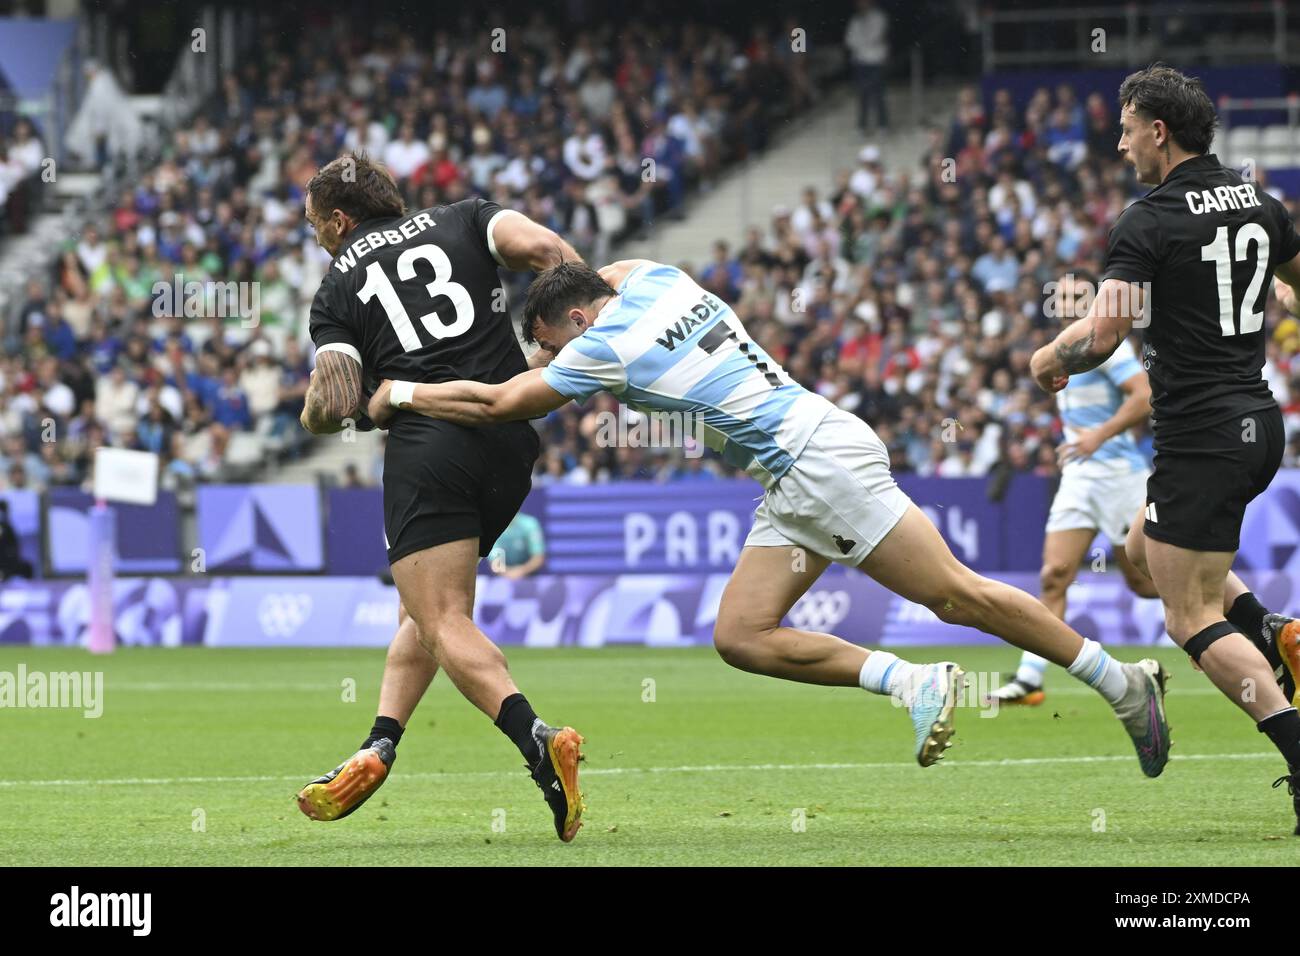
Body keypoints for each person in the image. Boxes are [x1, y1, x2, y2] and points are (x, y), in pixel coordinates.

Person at [370, 259, 1174, 776]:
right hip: (795, 472)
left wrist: (397, 394)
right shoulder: (657, 275)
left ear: (576, 323)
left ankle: (1122, 682)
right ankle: (913, 680)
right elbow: (589, 270)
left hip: (814, 463)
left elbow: (505, 403)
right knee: (741, 634)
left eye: (548, 345)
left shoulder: (600, 342)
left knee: (956, 595)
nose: (552, 362)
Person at [1030, 65, 1300, 834]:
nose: (1119, 146)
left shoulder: (1147, 220)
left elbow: (1104, 334)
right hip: (1255, 422)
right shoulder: (1261, 203)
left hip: (1201, 435)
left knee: (1187, 617)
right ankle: (1278, 631)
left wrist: (1049, 356)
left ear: (1158, 131)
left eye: (1124, 130)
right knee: (1139, 555)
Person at [296, 151, 589, 842]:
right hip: (512, 436)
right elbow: (551, 253)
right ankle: (379, 742)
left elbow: (334, 403)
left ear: (340, 221)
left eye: (314, 225)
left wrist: (343, 409)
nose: (315, 238)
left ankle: (537, 738)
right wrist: (561, 352)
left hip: (431, 448)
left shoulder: (337, 286)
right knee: (428, 613)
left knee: (443, 618)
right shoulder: (466, 216)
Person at [991, 270, 1160, 704]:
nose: (1066, 301)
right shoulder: (1065, 351)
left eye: (1075, 295)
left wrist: (1097, 435)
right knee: (1055, 575)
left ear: (1094, 301)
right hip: (1079, 477)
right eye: (1061, 295)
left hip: (1120, 476)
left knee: (1144, 582)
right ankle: (1030, 679)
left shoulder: (1107, 347)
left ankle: (1240, 624)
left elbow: (1144, 395)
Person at [844, 0, 889, 134]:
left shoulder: (879, 17)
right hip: (860, 62)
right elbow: (849, 40)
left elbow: (875, 37)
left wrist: (861, 43)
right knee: (862, 95)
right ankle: (862, 126)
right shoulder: (855, 20)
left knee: (878, 94)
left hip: (875, 61)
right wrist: (862, 44)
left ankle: (883, 125)